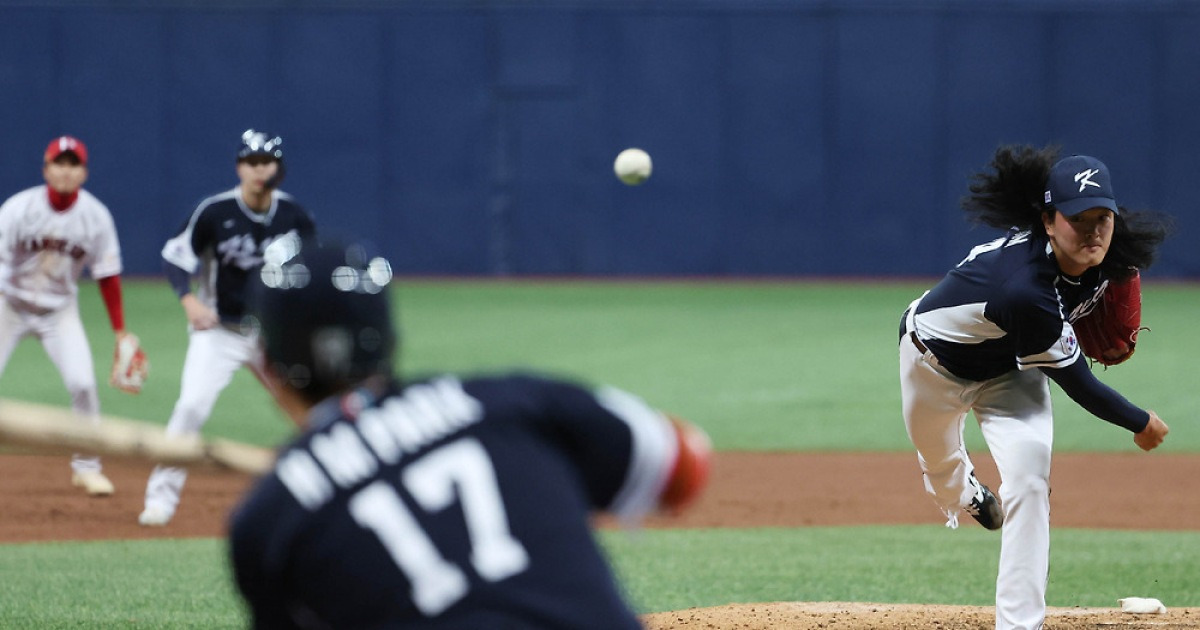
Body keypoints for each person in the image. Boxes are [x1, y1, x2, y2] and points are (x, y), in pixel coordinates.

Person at [228, 240, 712, 628]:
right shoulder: (511, 402)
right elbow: (685, 468)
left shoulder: (267, 522)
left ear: (267, 367)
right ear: (391, 339)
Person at [898, 144, 1172, 629]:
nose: (1092, 231)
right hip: (932, 364)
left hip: (1011, 370)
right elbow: (1079, 383)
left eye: (1101, 218)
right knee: (942, 470)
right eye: (1077, 218)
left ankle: (1019, 624)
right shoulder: (1023, 287)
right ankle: (966, 493)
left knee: (1029, 480)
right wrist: (1139, 421)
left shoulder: (1106, 252)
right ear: (1048, 221)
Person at [139, 129, 317, 526]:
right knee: (190, 408)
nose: (259, 170)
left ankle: (335, 497)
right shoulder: (215, 212)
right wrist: (188, 301)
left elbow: (312, 270)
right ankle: (160, 501)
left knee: (311, 414)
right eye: (251, 162)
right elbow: (176, 257)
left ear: (279, 168)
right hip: (220, 332)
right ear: (239, 167)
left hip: (272, 335)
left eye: (266, 161)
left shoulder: (294, 216)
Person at [0, 136, 140, 497]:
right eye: (58, 163)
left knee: (83, 384)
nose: (65, 170)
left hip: (58, 310)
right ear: (46, 169)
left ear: (84, 173)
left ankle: (88, 469)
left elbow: (107, 276)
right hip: (9, 305)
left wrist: (121, 330)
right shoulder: (18, 209)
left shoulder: (95, 217)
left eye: (72, 164)